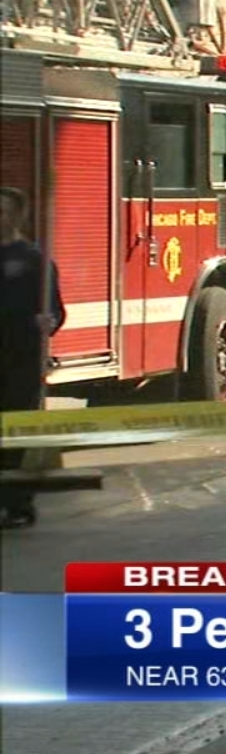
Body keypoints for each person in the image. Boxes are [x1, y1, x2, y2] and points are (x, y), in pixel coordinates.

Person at [1, 187, 66, 527]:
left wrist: (49, 321)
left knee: (15, 433)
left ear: (18, 216)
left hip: (21, 359)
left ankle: (16, 504)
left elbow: (54, 309)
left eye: (4, 211)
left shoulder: (33, 260)